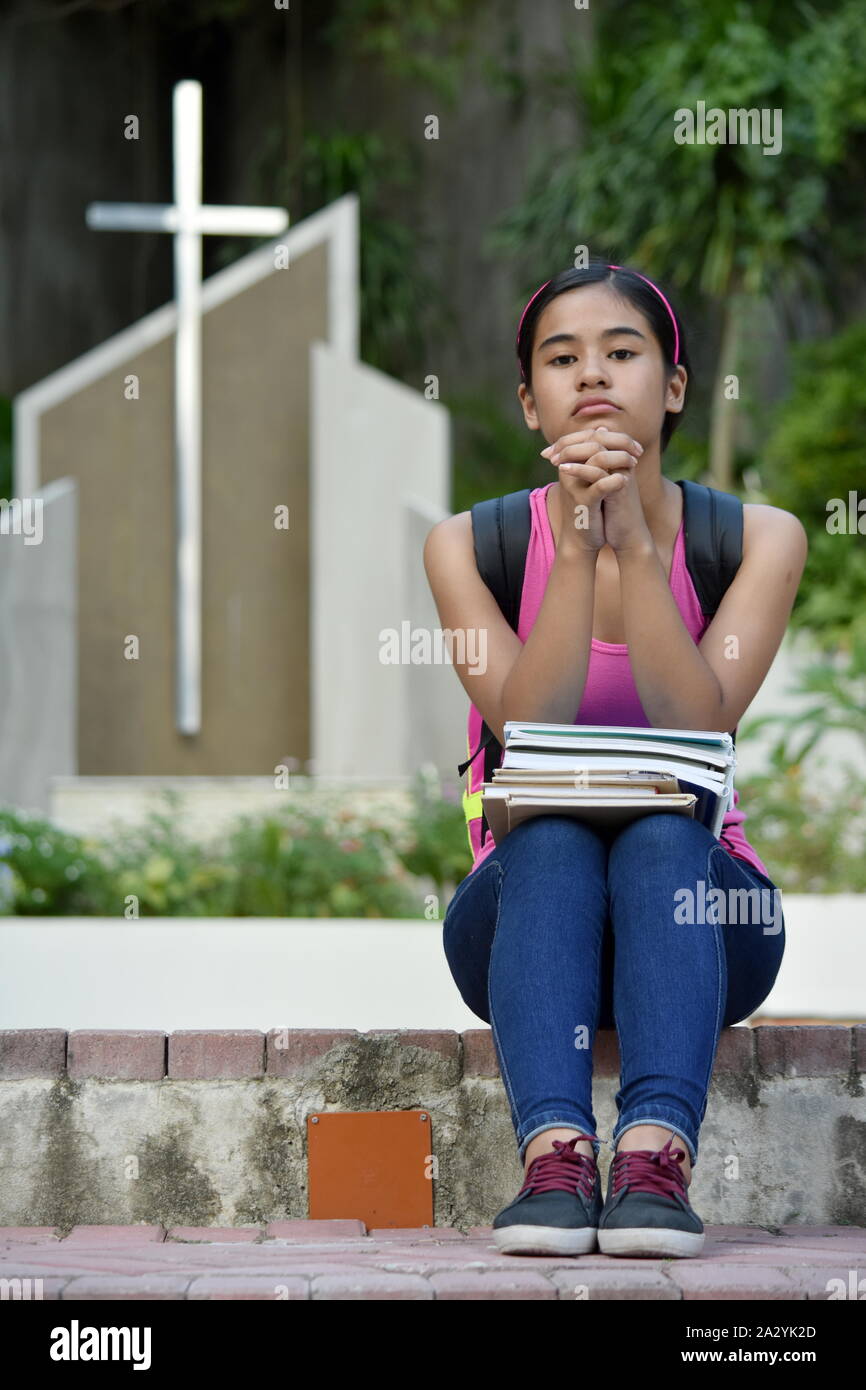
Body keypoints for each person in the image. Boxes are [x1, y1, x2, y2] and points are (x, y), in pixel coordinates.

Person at [422, 260, 808, 1259]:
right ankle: (553, 1158)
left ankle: (650, 1159)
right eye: (561, 358)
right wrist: (577, 539)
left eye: (621, 351)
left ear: (672, 386)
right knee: (550, 834)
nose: (591, 375)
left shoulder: (754, 540)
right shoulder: (469, 548)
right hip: (519, 932)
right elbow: (528, 720)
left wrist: (634, 549)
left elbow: (701, 718)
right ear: (528, 401)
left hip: (703, 926)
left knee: (653, 830)